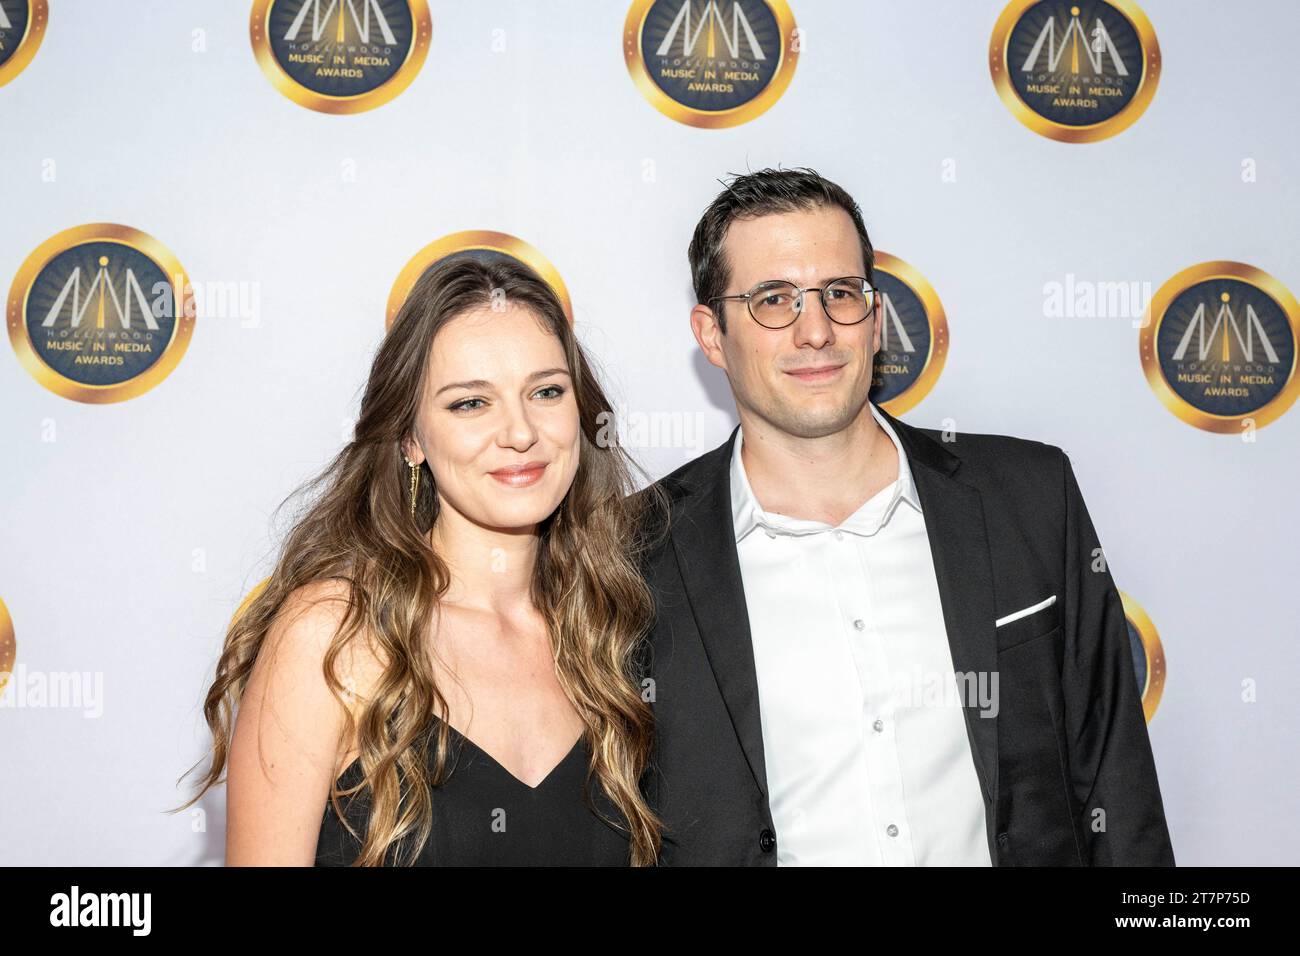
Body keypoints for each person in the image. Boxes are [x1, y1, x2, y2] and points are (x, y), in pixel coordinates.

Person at [637, 167, 1175, 866]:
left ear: (876, 314)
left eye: (840, 293)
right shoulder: (638, 552)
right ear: (712, 334)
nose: (816, 331)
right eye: (774, 300)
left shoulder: (1030, 498)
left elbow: (1115, 783)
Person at [176, 256, 666, 866]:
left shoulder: (616, 626)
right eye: (470, 404)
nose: (520, 432)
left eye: (546, 391)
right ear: (410, 438)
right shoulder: (334, 634)